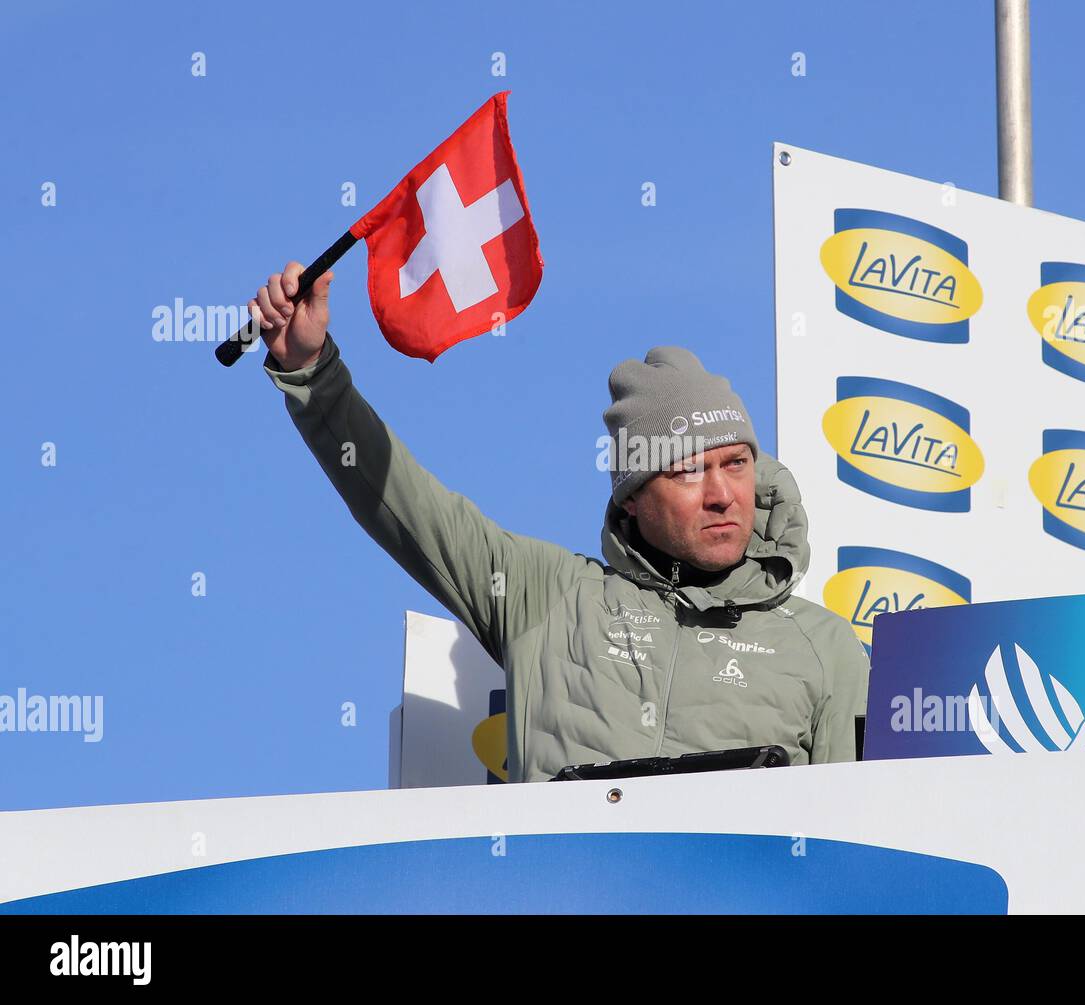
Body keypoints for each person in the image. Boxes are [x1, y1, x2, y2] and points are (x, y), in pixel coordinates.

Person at [250, 261, 871, 782]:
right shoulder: (542, 595)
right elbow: (403, 502)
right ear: (632, 495)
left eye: (736, 464)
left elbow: (859, 854)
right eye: (686, 471)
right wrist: (315, 374)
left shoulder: (825, 648)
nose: (722, 494)